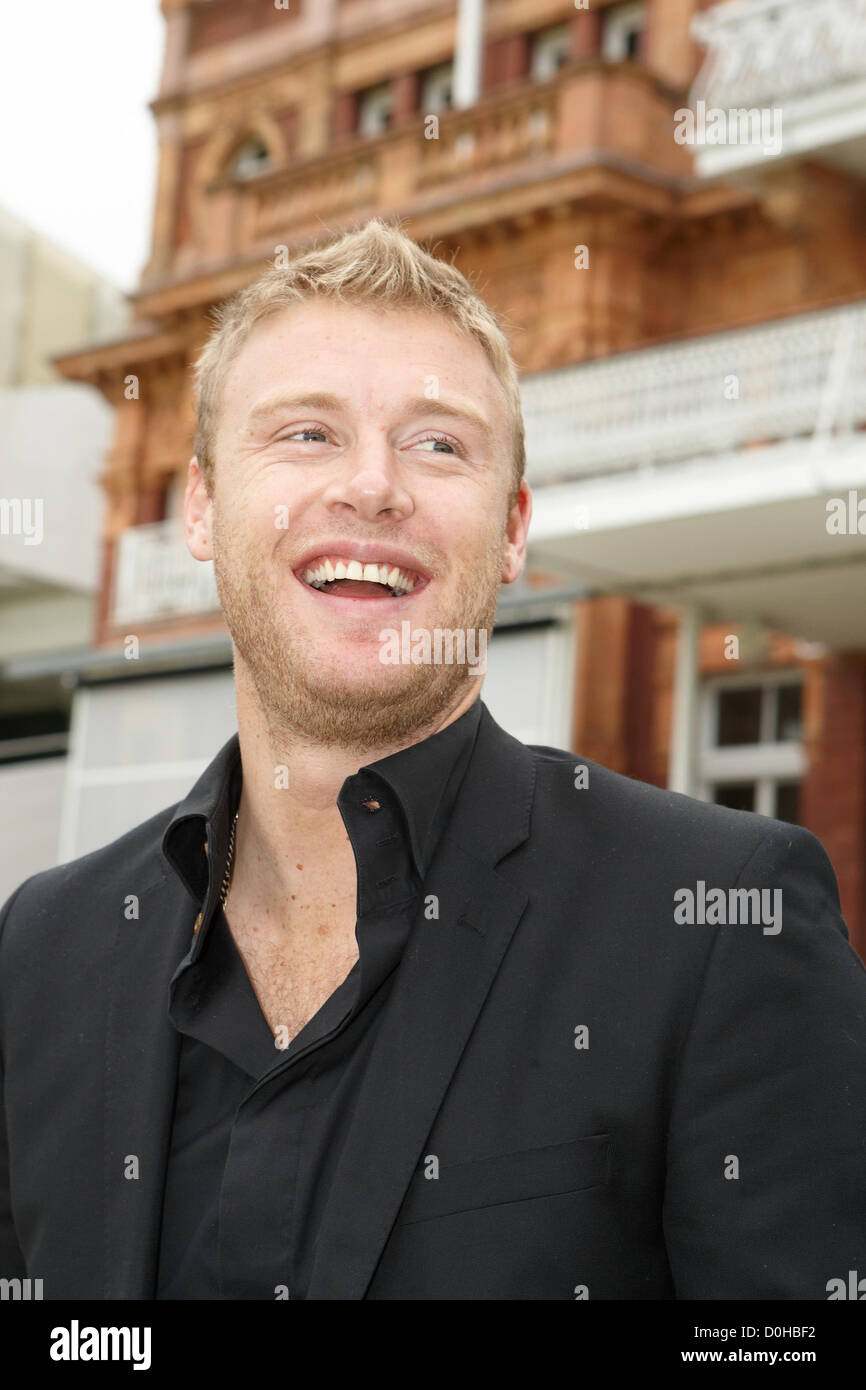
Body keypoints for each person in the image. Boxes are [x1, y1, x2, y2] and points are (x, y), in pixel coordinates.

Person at [1, 219, 864, 1301]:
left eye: (437, 443)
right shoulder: (42, 946)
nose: (371, 487)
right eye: (306, 434)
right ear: (203, 509)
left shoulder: (723, 918)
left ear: (510, 531)